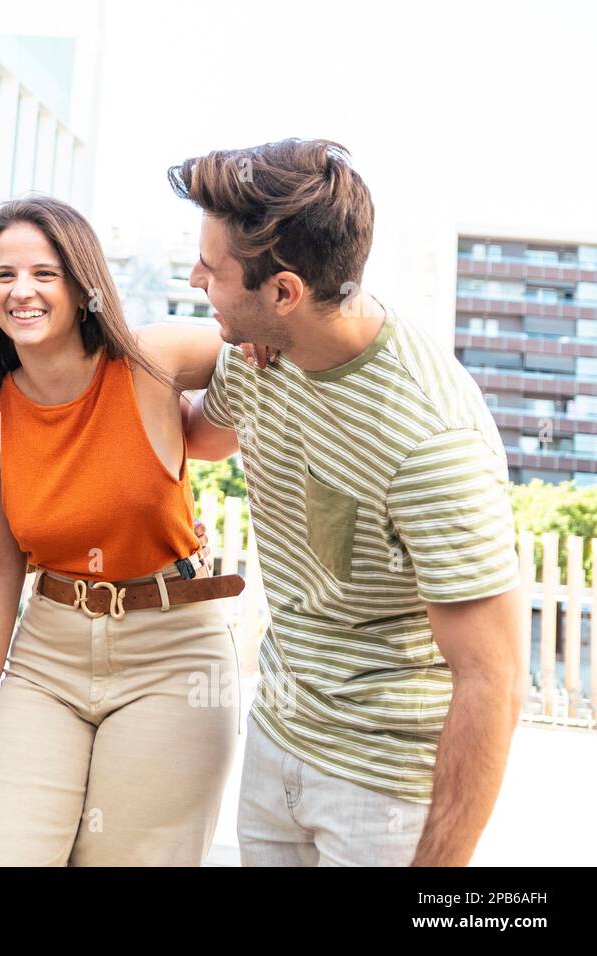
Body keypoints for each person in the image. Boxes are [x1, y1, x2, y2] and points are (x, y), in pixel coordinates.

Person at [174, 138, 522, 866]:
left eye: (213, 267)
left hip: (382, 792)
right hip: (277, 738)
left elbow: (491, 682)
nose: (195, 273)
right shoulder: (263, 355)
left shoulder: (431, 441)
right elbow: (196, 437)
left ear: (284, 291)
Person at [0, 196, 245, 866]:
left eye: (45, 273)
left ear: (85, 286)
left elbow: (259, 350)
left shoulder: (150, 357)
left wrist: (200, 435)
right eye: (4, 276)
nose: (22, 291)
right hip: (48, 651)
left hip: (172, 648)